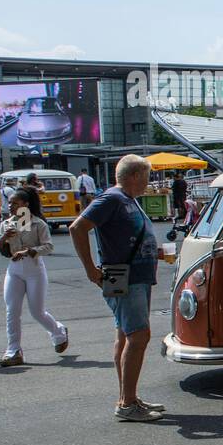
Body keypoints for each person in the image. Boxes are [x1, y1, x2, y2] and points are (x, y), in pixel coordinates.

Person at [69, 154, 164, 422]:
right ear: (134, 176)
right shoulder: (112, 198)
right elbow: (77, 228)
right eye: (146, 177)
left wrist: (152, 251)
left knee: (125, 335)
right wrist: (90, 269)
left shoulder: (127, 200)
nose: (148, 182)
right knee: (138, 336)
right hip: (125, 277)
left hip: (134, 275)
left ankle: (128, 397)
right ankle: (127, 403)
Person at [0, 188, 68, 367]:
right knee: (12, 311)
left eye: (15, 203)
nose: (11, 206)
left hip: (34, 269)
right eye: (10, 203)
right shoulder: (7, 224)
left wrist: (29, 251)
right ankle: (13, 350)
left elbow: (48, 246)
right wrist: (4, 238)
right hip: (14, 270)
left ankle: (58, 332)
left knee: (37, 312)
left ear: (25, 205)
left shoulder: (37, 224)